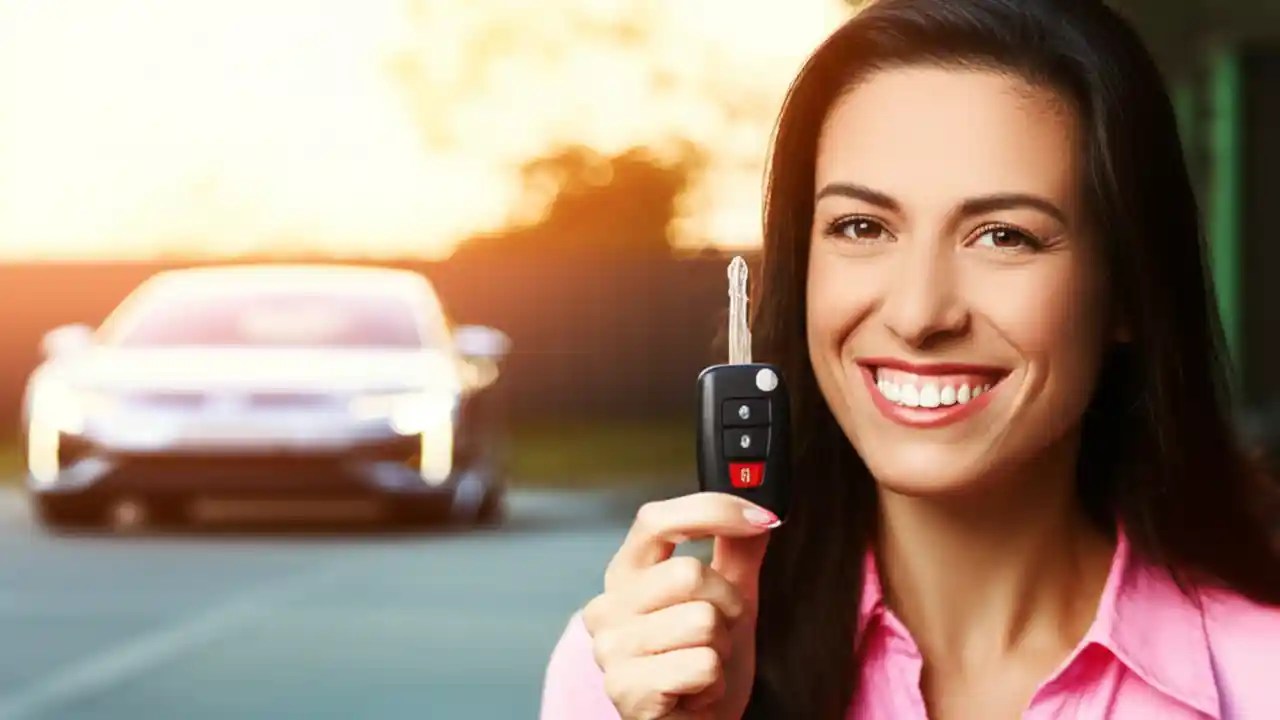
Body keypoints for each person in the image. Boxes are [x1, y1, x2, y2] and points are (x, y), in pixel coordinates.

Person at [540, 0, 1280, 717]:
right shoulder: (633, 674)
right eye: (862, 226)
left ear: (1126, 290)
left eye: (1003, 236)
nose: (920, 314)